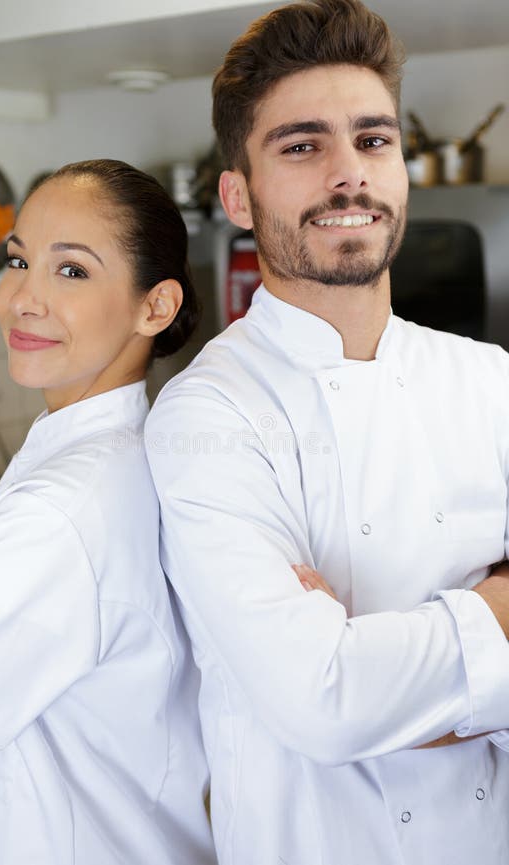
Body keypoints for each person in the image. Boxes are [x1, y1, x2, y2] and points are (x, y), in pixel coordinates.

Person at [145, 3, 509, 863]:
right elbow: (325, 703)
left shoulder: (491, 379)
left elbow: (348, 692)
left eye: (374, 140)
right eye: (302, 146)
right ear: (238, 195)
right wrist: (494, 615)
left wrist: (395, 677)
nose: (350, 175)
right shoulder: (207, 413)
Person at [0, 159, 216, 865]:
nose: (23, 298)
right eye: (18, 259)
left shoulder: (63, 512)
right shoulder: (132, 452)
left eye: (72, 271)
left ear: (155, 307)